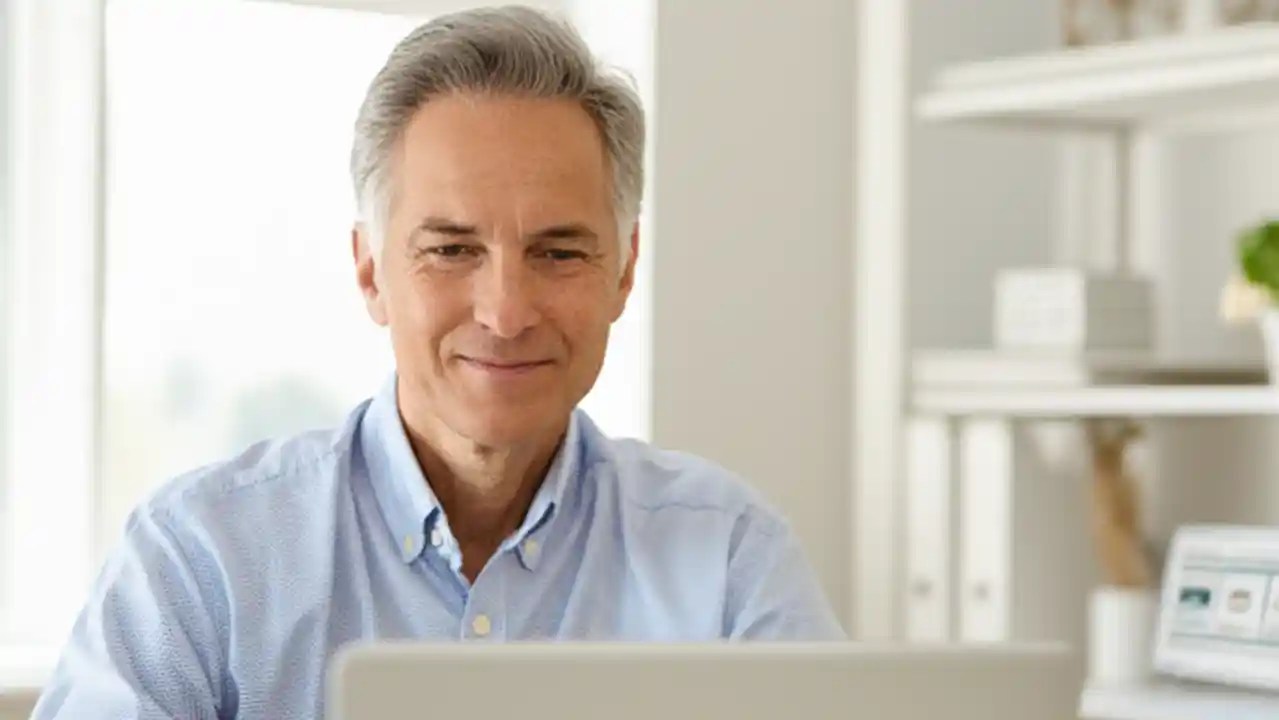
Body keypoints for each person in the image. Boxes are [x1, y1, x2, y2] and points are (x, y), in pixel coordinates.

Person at [33, 5, 843, 719]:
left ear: (623, 273)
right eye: (451, 249)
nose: (505, 311)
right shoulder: (200, 560)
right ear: (370, 271)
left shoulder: (731, 564)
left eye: (557, 252)